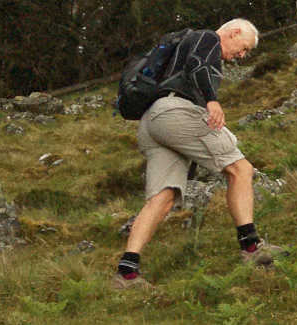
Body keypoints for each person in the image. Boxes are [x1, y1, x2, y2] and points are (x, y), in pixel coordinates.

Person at [115, 19, 279, 290]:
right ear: (235, 32)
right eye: (245, 48)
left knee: (162, 199)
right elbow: (198, 65)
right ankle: (251, 247)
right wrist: (211, 100)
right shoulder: (208, 38)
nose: (242, 55)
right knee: (241, 169)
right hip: (174, 113)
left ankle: (126, 273)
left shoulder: (183, 45)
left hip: (151, 122)